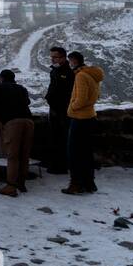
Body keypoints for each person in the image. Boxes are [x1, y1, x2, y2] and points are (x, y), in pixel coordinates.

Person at [0, 69, 34, 197]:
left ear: (1, 78)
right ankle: (21, 183)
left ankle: (10, 186)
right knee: (24, 155)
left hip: (13, 123)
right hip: (28, 121)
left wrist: (2, 118)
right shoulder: (22, 89)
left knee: (12, 156)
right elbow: (27, 102)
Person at [64, 51, 104, 195]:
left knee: (74, 153)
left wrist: (72, 107)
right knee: (86, 152)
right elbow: (96, 95)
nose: (69, 64)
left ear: (74, 61)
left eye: (70, 61)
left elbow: (81, 98)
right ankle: (89, 183)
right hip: (90, 117)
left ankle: (76, 184)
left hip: (80, 119)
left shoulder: (80, 76)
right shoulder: (92, 75)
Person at [43, 46, 74, 174]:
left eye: (55, 57)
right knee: (55, 137)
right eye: (51, 57)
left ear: (62, 57)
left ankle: (61, 166)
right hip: (55, 109)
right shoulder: (55, 71)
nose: (52, 59)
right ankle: (56, 164)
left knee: (62, 138)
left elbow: (66, 92)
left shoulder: (68, 72)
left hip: (63, 110)